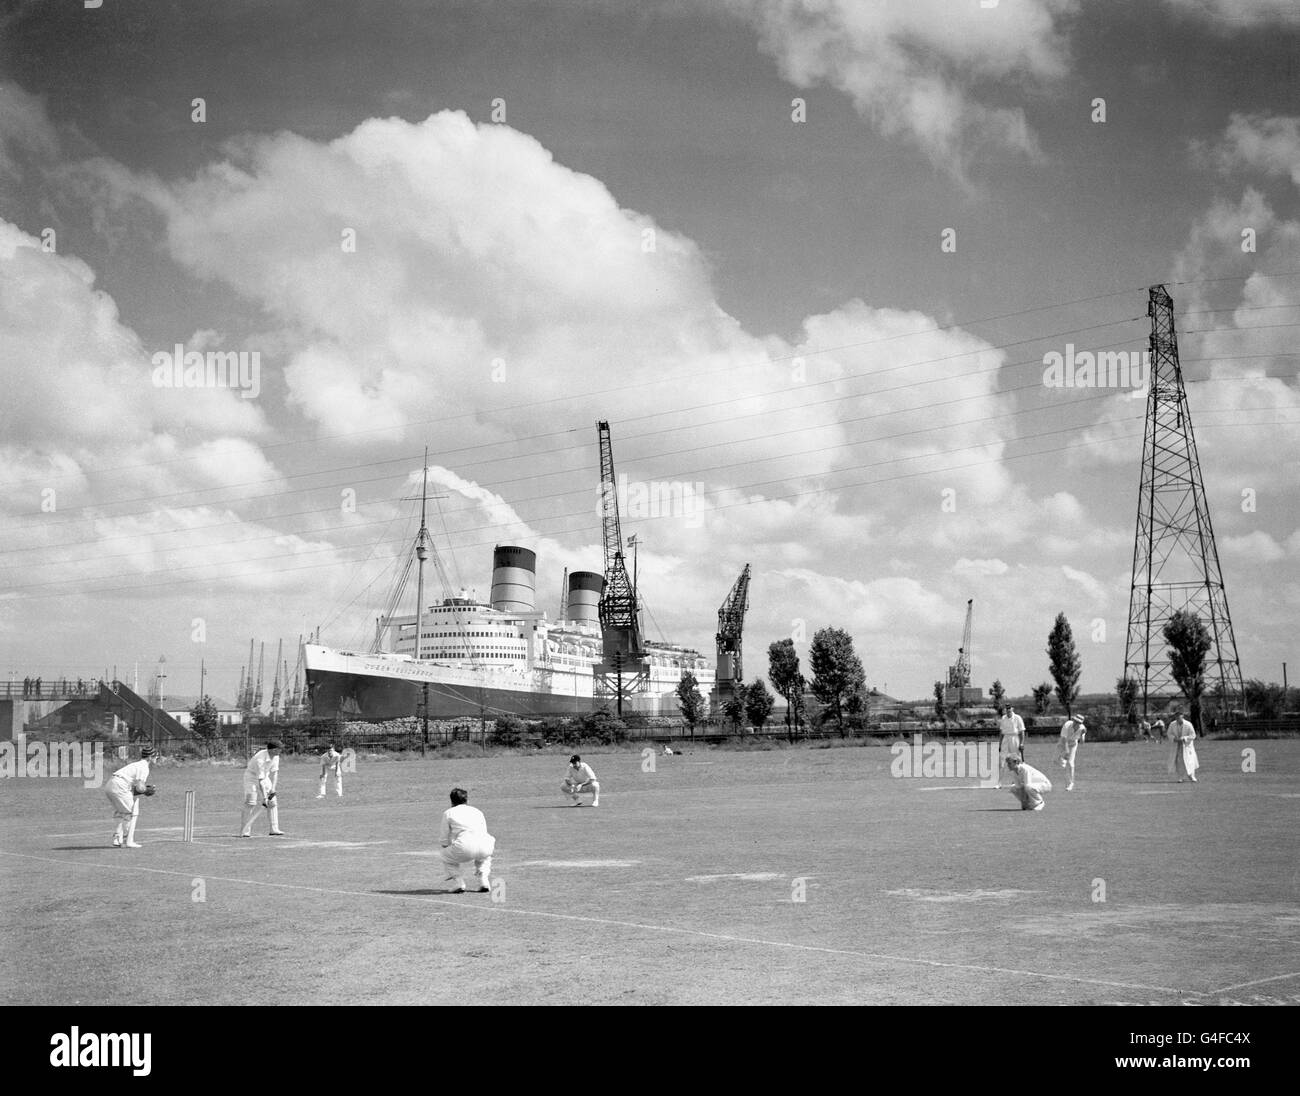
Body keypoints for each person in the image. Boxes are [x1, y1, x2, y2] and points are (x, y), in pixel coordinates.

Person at [438, 787, 495, 893]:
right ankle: (484, 882)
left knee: (444, 855)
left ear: (452, 801)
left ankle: (459, 883)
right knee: (485, 858)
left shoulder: (448, 813)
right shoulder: (477, 811)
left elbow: (444, 839)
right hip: (485, 844)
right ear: (467, 800)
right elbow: (484, 831)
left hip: (464, 846)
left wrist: (447, 848)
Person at [105, 746, 156, 848]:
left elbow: (133, 789)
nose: (156, 758)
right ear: (150, 757)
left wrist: (142, 790)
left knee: (122, 812)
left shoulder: (136, 764)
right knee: (131, 813)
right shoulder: (144, 767)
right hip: (120, 785)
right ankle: (129, 841)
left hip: (110, 784)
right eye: (155, 756)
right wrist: (147, 790)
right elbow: (141, 788)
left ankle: (117, 839)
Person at [240, 740, 285, 837]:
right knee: (251, 802)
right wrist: (265, 798)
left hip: (265, 777)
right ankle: (245, 830)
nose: (280, 751)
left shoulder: (276, 757)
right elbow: (260, 781)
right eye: (279, 749)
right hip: (251, 778)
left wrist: (273, 788)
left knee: (272, 802)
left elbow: (275, 773)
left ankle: (274, 829)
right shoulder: (259, 759)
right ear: (273, 750)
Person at [995, 704, 1026, 787]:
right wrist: (1000, 743)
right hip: (1005, 738)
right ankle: (999, 782)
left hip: (1014, 738)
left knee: (1016, 761)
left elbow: (1022, 732)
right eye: (1007, 708)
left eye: (1010, 708)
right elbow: (1001, 732)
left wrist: (1022, 743)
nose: (1008, 710)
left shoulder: (1017, 718)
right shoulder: (1003, 718)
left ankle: (1016, 781)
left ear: (1012, 709)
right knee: (1001, 760)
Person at [1166, 709, 1199, 783]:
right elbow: (1169, 734)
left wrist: (1185, 738)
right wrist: (1175, 739)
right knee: (1179, 761)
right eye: (1177, 718)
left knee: (1190, 761)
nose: (1178, 719)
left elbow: (1193, 735)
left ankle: (1192, 776)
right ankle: (1180, 777)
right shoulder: (1172, 724)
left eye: (1179, 718)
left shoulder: (1188, 724)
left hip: (1187, 746)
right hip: (1177, 746)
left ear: (1182, 717)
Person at [1058, 713, 1086, 791]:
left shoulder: (1082, 728)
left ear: (1080, 723)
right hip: (1063, 742)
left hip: (1073, 744)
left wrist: (1082, 735)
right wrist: (1066, 751)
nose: (1076, 723)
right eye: (1075, 721)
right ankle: (1062, 760)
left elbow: (1082, 743)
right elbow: (1064, 740)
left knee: (1070, 763)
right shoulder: (1067, 725)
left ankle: (1070, 783)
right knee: (1058, 762)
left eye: (1078, 722)